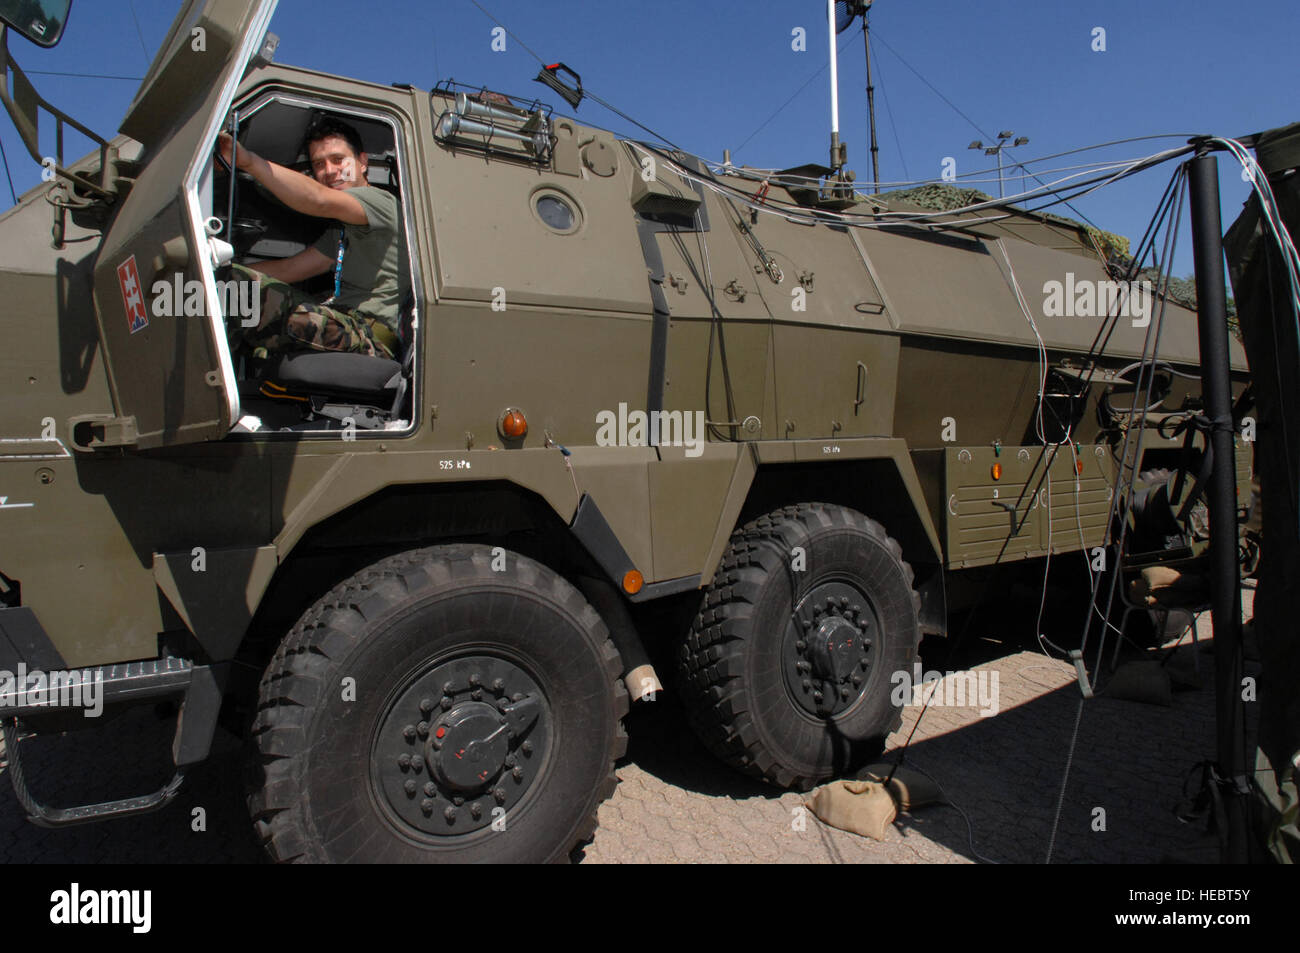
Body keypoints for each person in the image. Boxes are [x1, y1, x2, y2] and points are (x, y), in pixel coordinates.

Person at [216, 116, 409, 361]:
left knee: (237, 288)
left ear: (362, 163)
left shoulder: (381, 203)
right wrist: (213, 271)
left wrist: (248, 161)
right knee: (230, 286)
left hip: (368, 336)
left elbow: (317, 199)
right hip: (345, 325)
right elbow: (288, 269)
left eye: (339, 160)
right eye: (319, 164)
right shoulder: (341, 230)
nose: (329, 171)